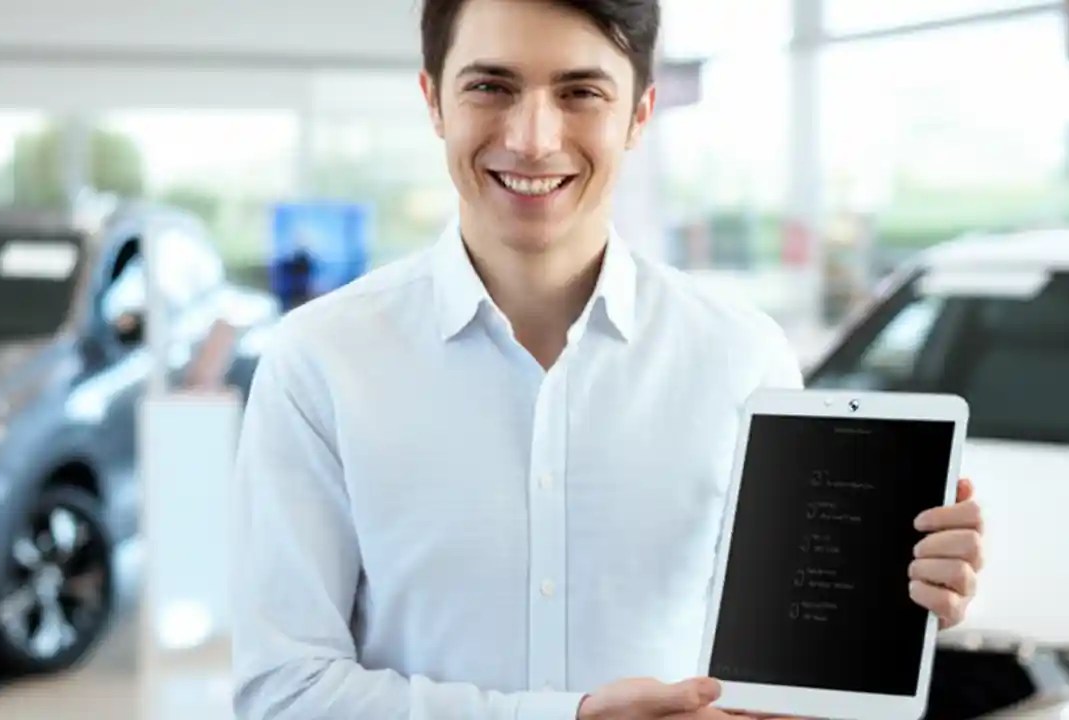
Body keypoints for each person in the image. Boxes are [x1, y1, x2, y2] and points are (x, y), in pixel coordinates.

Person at [231, 1, 986, 718]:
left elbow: (784, 668)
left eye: (580, 92)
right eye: (491, 86)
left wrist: (889, 605)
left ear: (640, 114)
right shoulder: (321, 361)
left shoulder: (740, 356)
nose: (532, 137)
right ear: (434, 102)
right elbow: (284, 694)